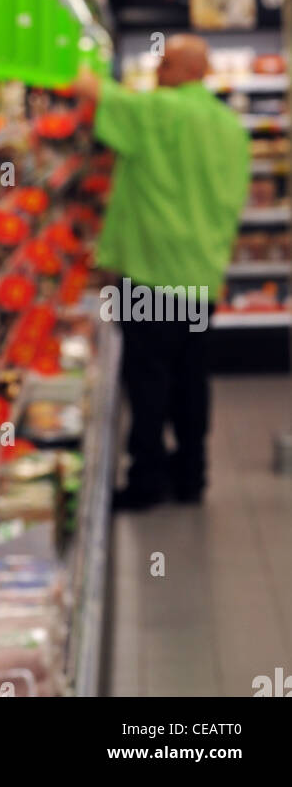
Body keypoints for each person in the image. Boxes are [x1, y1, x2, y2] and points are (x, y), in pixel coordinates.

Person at [72, 35, 250, 510]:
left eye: (165, 63)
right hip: (201, 274)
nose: (157, 71)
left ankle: (146, 480)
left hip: (151, 273)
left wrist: (71, 55)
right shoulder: (229, 126)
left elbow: (94, 90)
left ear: (191, 70)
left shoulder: (161, 111)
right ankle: (192, 475)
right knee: (192, 375)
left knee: (147, 378)